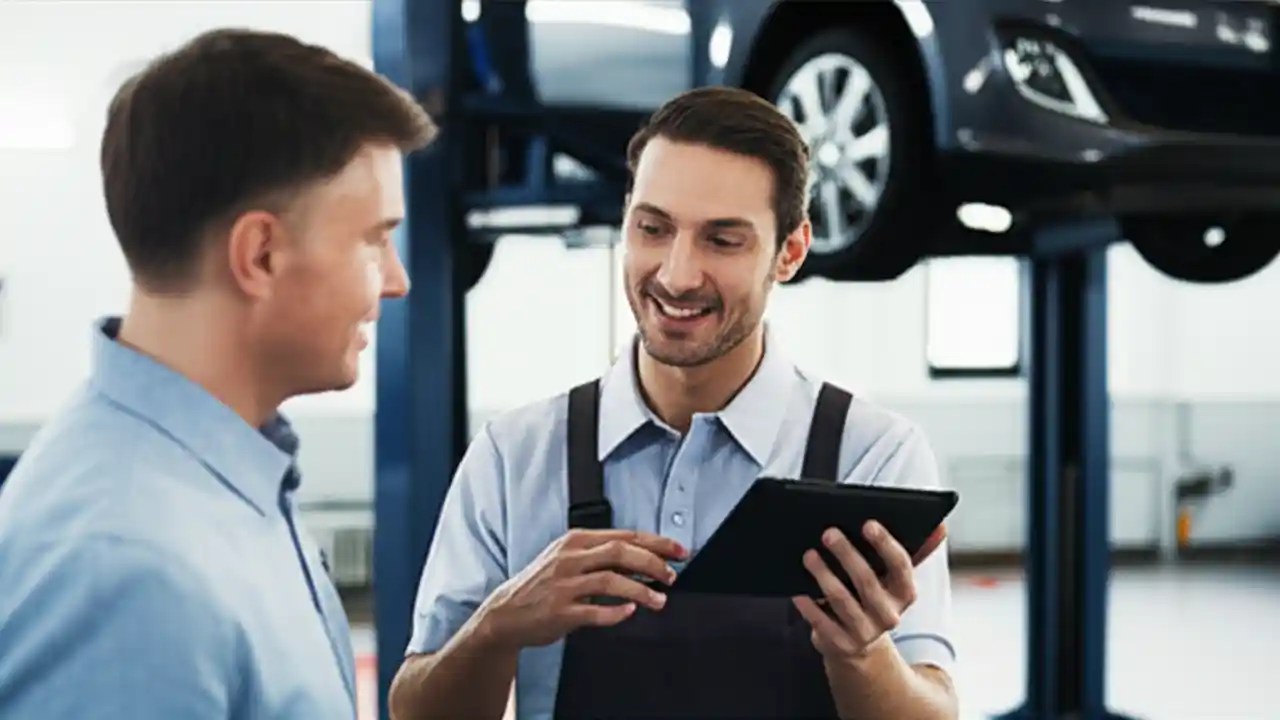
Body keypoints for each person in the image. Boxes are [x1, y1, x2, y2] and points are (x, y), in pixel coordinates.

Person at [387, 86, 959, 720]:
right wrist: (500, 624)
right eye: (654, 229)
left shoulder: (871, 457)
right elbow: (415, 711)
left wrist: (860, 654)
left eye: (723, 240)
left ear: (790, 251)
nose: (677, 274)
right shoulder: (515, 457)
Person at [0, 28, 434, 719]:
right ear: (259, 254)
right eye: (374, 240)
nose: (397, 281)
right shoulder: (126, 571)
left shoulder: (220, 487)